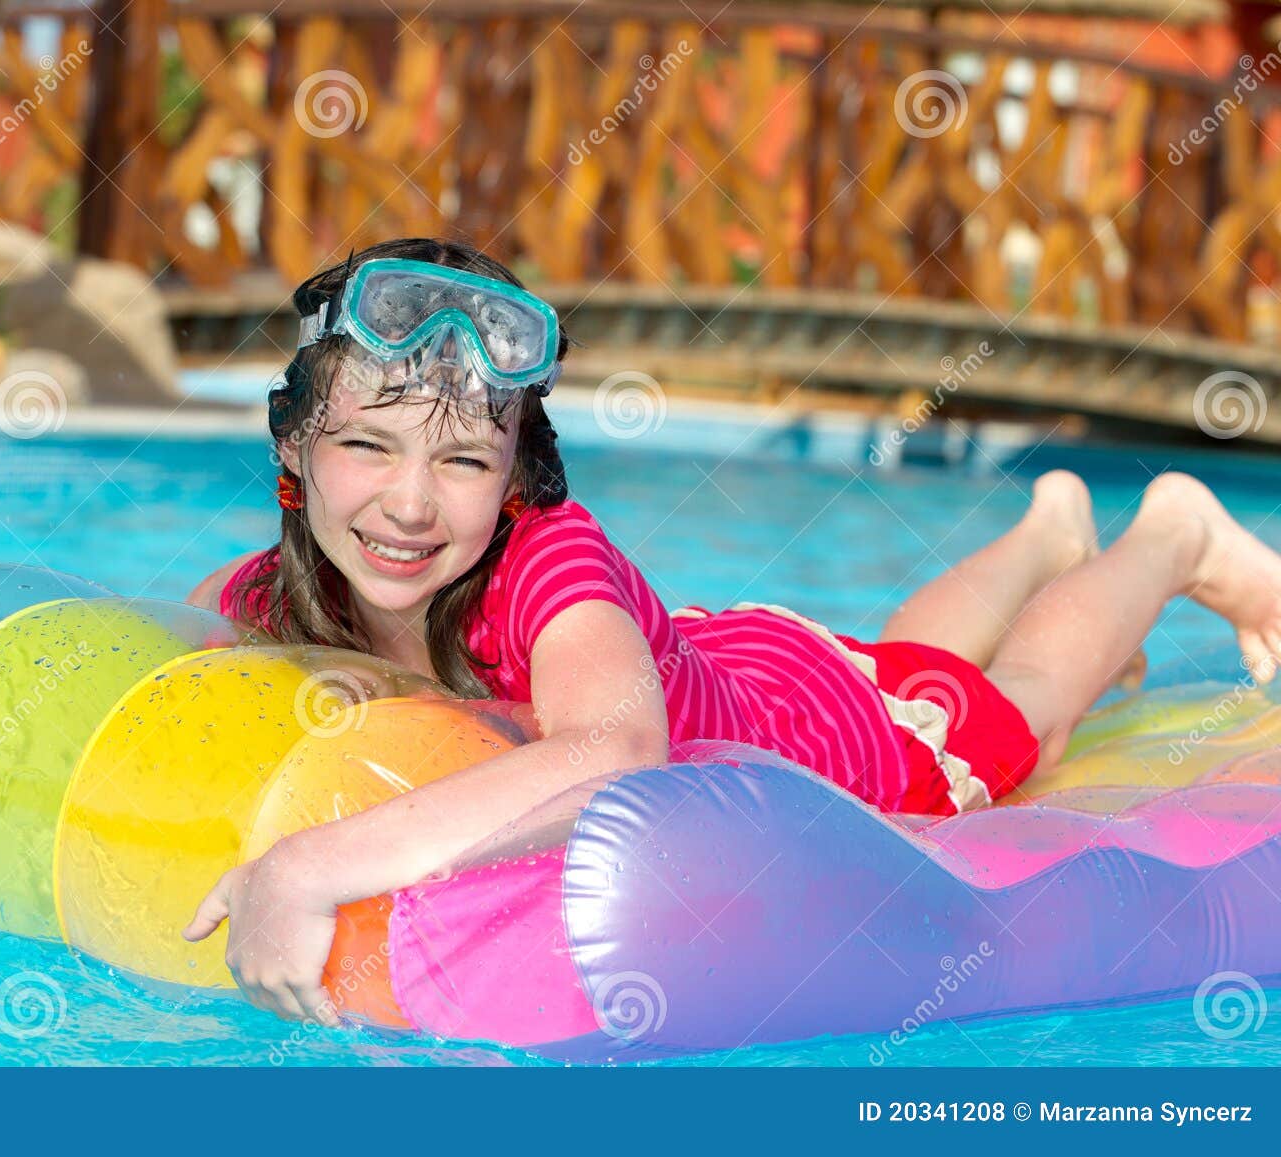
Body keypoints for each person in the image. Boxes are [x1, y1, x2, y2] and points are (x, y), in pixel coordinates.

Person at [182, 237, 1281, 1024]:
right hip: (714, 656)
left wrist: (306, 866)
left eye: (464, 459)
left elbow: (616, 752)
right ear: (291, 452)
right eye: (368, 447)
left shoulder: (546, 555)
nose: (410, 505)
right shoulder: (267, 592)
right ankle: (1046, 530)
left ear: (517, 479)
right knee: (912, 661)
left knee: (1012, 710)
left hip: (818, 738)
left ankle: (1171, 539)